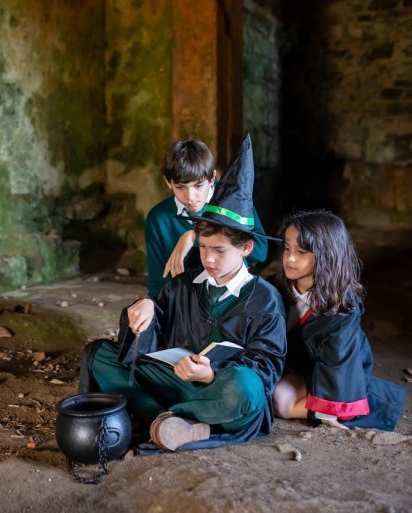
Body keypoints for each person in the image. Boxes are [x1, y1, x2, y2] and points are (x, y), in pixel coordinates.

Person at [78, 134, 286, 452]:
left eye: (219, 250)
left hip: (217, 388)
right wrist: (144, 308)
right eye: (202, 248)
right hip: (174, 379)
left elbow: (267, 365)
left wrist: (211, 374)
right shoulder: (184, 283)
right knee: (99, 355)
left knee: (245, 388)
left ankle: (157, 416)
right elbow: (158, 317)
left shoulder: (264, 299)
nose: (209, 259)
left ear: (246, 247)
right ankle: (173, 422)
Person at [272, 210, 405, 431]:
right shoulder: (274, 286)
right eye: (287, 248)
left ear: (327, 255)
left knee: (282, 404)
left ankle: (351, 401)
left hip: (336, 369)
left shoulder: (343, 307)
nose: (290, 258)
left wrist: (324, 408)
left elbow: (338, 358)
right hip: (294, 365)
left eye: (302, 251)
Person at [145, 139, 269, 298]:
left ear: (212, 178)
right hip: (184, 300)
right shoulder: (158, 218)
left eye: (198, 186)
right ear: (168, 182)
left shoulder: (234, 202)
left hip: (231, 296)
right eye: (180, 187)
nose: (190, 197)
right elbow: (158, 283)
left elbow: (259, 252)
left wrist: (194, 236)